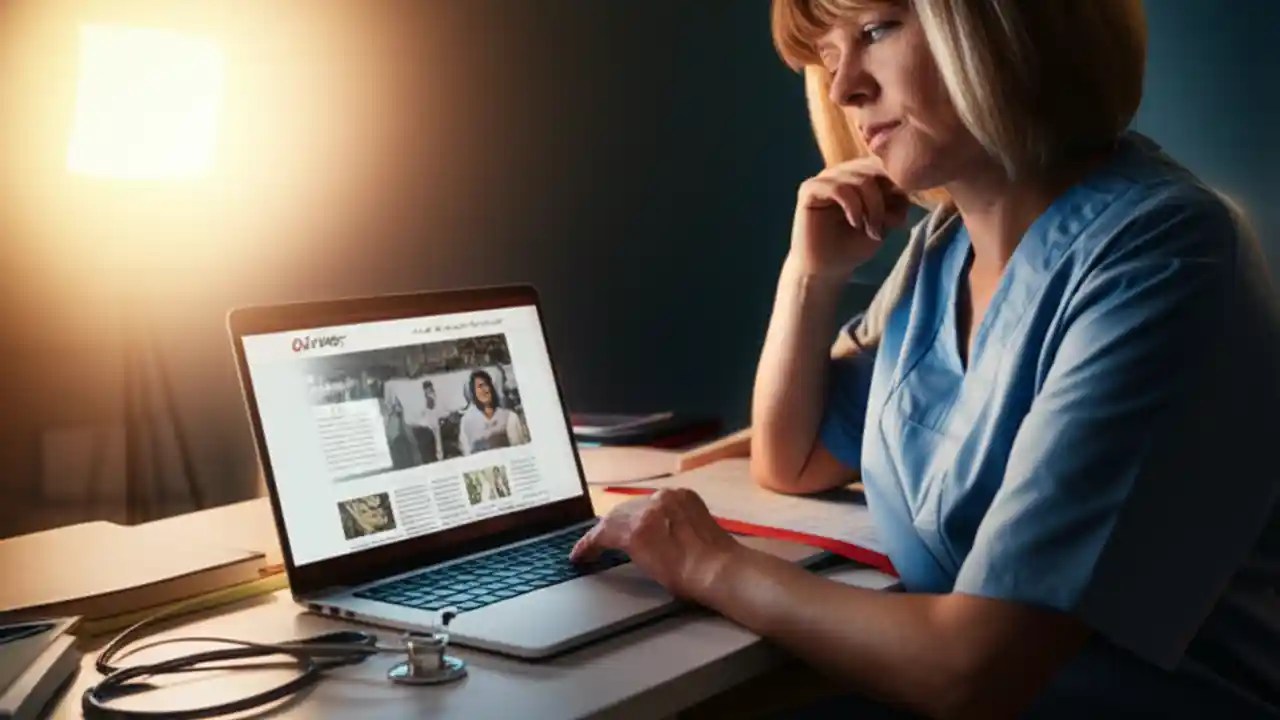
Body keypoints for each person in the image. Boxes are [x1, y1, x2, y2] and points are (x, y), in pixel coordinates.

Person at [571, 1, 1280, 717]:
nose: (845, 87)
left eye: (876, 31)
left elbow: (974, 669)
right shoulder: (943, 248)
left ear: (1008, 25)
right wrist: (810, 275)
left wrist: (706, 561)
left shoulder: (1163, 254)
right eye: (826, 53)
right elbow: (793, 458)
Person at [458, 369, 530, 455]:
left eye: (486, 385)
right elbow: (467, 453)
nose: (484, 390)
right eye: (480, 386)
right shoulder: (466, 423)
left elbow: (519, 450)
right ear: (473, 393)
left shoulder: (510, 417)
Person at [408, 379, 443, 463]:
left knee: (439, 449)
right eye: (428, 392)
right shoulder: (423, 408)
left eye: (431, 391)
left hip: (434, 428)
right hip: (428, 430)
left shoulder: (434, 403)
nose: (431, 394)